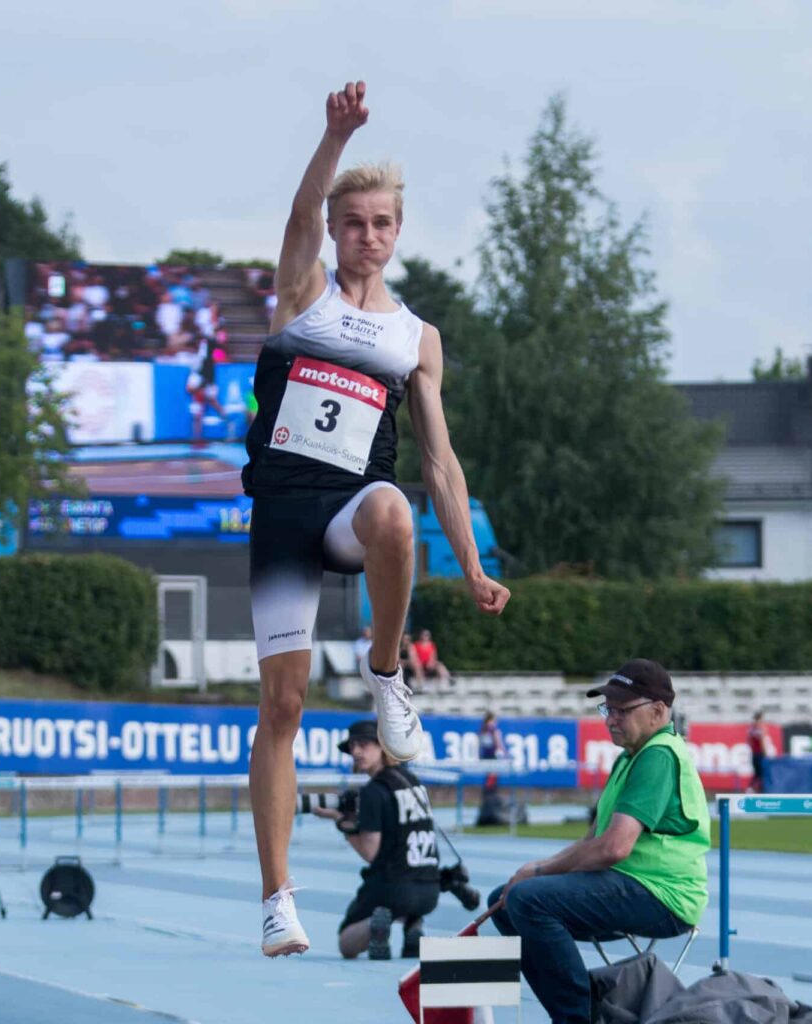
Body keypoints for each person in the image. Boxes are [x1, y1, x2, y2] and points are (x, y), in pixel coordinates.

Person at [245, 80, 510, 958]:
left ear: (398, 232)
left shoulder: (415, 338)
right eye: (352, 220)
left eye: (381, 223)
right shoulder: (301, 295)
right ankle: (278, 900)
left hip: (357, 506)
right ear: (336, 226)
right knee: (281, 707)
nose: (366, 234)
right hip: (286, 509)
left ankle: (387, 672)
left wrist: (470, 564)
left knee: (397, 510)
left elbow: (440, 461)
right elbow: (296, 212)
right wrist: (331, 138)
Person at [489, 660, 709, 1024]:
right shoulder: (631, 758)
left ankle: (578, 1018)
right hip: (635, 885)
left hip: (664, 895)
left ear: (658, 711)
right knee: (507, 900)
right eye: (608, 709)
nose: (610, 720)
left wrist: (538, 872)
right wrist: (534, 872)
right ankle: (584, 1009)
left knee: (527, 900)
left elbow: (613, 849)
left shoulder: (658, 755)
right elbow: (592, 840)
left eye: (621, 710)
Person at [313, 720, 440, 960]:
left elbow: (370, 853)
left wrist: (342, 822)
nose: (356, 752)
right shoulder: (413, 782)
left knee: (346, 943)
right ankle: (414, 924)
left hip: (395, 888)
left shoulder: (373, 791)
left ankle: (376, 924)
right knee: (405, 901)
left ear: (383, 746)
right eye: (352, 746)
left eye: (363, 744)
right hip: (430, 889)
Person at [746, 710, 772, 794]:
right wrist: (765, 753)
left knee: (757, 773)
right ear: (760, 718)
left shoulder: (751, 728)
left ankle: (751, 788)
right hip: (760, 753)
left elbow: (749, 742)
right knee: (761, 773)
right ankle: (760, 790)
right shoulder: (760, 728)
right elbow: (762, 741)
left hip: (754, 753)